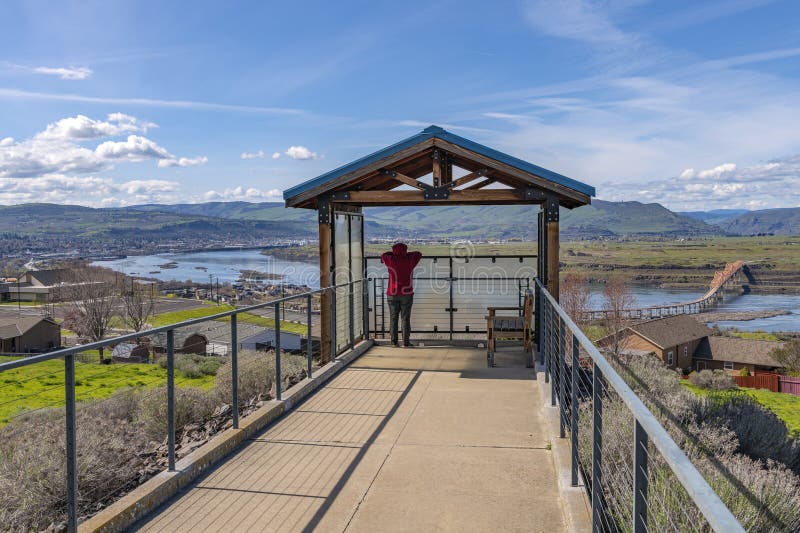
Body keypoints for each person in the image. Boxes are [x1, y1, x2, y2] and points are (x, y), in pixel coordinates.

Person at [381, 242, 422, 347]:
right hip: (407, 294)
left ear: (394, 251)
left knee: (393, 318)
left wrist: (394, 254)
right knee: (405, 318)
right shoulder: (410, 260)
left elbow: (383, 255)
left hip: (392, 293)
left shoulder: (390, 260)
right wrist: (405, 255)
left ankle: (394, 342)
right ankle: (406, 342)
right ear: (406, 250)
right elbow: (418, 253)